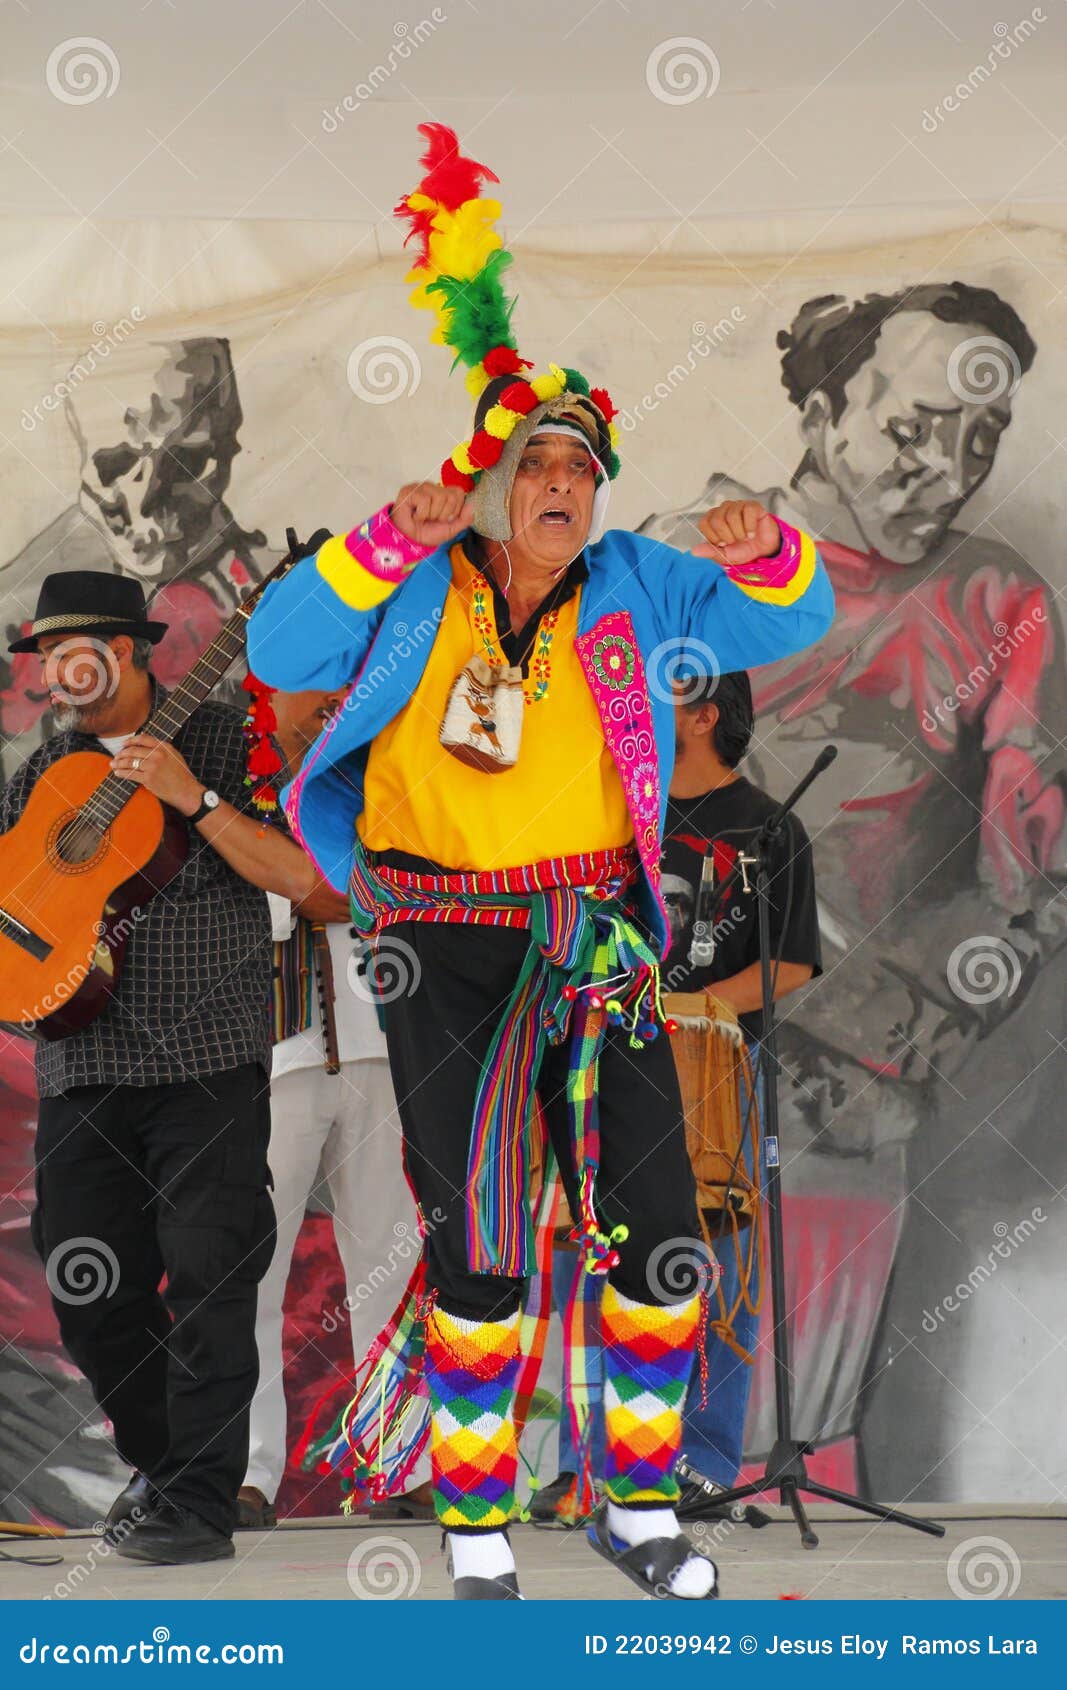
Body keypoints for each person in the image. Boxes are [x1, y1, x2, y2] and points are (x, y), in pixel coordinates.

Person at [248, 123, 834, 1600]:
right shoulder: (413, 581)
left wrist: (765, 549)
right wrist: (387, 535)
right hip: (440, 946)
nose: (562, 481)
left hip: (598, 939)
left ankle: (639, 1510)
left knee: (653, 1222)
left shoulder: (634, 583)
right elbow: (274, 650)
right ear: (491, 482)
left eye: (582, 464)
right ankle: (475, 1516)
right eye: (537, 461)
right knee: (485, 1242)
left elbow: (783, 619)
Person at [638, 280, 1067, 1493]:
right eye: (914, 427)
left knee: (808, 1395)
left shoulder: (1000, 600)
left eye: (978, 439)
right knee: (650, 1327)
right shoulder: (685, 559)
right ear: (823, 414)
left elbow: (1029, 870)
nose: (947, 470)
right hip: (665, 1025)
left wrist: (897, 1021)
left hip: (860, 1066)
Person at [0, 569, 322, 1565]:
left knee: (214, 1273)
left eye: (77, 646)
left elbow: (313, 887)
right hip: (80, 1066)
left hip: (206, 1062)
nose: (60, 667)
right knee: (90, 1285)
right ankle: (165, 1467)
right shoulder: (40, 773)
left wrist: (197, 797)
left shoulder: (226, 740)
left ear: (132, 649)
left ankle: (197, 1504)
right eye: (46, 653)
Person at [531, 672, 821, 1528]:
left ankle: (699, 1461)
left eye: (658, 697)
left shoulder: (772, 827)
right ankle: (594, 1464)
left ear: (701, 717)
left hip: (717, 1069)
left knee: (714, 1262)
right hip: (605, 1061)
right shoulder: (614, 816)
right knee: (601, 1252)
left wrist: (691, 1009)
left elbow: (791, 963)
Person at [238, 684, 430, 1528]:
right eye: (308, 676)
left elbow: (391, 886)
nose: (329, 692)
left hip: (382, 1037)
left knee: (390, 1258)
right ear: (267, 689)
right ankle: (242, 1472)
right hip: (264, 1052)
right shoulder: (227, 784)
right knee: (246, 1268)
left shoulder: (383, 766)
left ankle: (399, 1464)